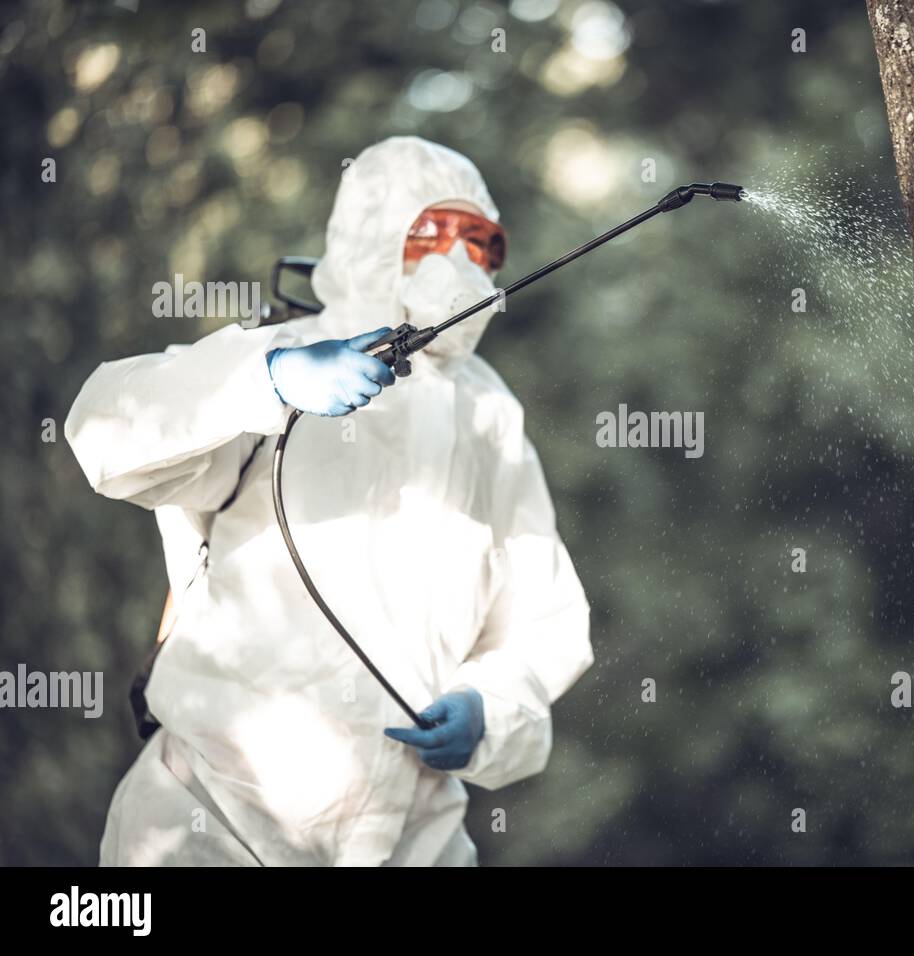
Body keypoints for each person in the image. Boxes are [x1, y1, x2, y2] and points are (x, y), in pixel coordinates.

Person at [65, 137, 593, 866]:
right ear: (372, 236)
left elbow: (543, 623)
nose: (465, 260)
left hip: (413, 839)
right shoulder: (276, 358)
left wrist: (490, 709)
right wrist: (268, 381)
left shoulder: (490, 417)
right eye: (434, 233)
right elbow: (102, 426)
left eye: (483, 242)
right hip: (210, 819)